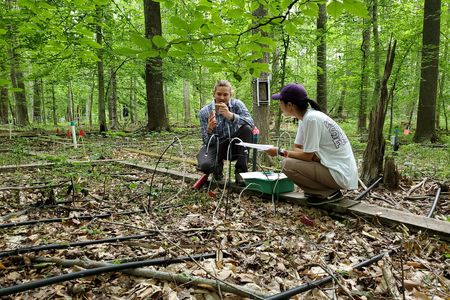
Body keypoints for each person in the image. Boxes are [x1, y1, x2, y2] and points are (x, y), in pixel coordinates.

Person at [266, 83, 358, 204]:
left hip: (340, 174)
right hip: (334, 169)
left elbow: (306, 156)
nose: (279, 105)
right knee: (289, 162)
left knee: (287, 164)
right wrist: (312, 156)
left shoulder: (312, 119)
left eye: (280, 101)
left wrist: (279, 151)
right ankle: (321, 192)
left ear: (289, 105)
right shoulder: (305, 118)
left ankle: (328, 193)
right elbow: (298, 148)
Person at [197, 80, 254, 185]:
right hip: (217, 145)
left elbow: (251, 122)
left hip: (234, 144)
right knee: (205, 166)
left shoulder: (237, 105)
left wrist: (231, 116)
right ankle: (217, 168)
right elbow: (206, 141)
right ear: (214, 93)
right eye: (219, 94)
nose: (222, 98)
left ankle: (240, 172)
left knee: (246, 129)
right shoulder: (204, 112)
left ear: (230, 95)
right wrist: (209, 129)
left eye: (225, 94)